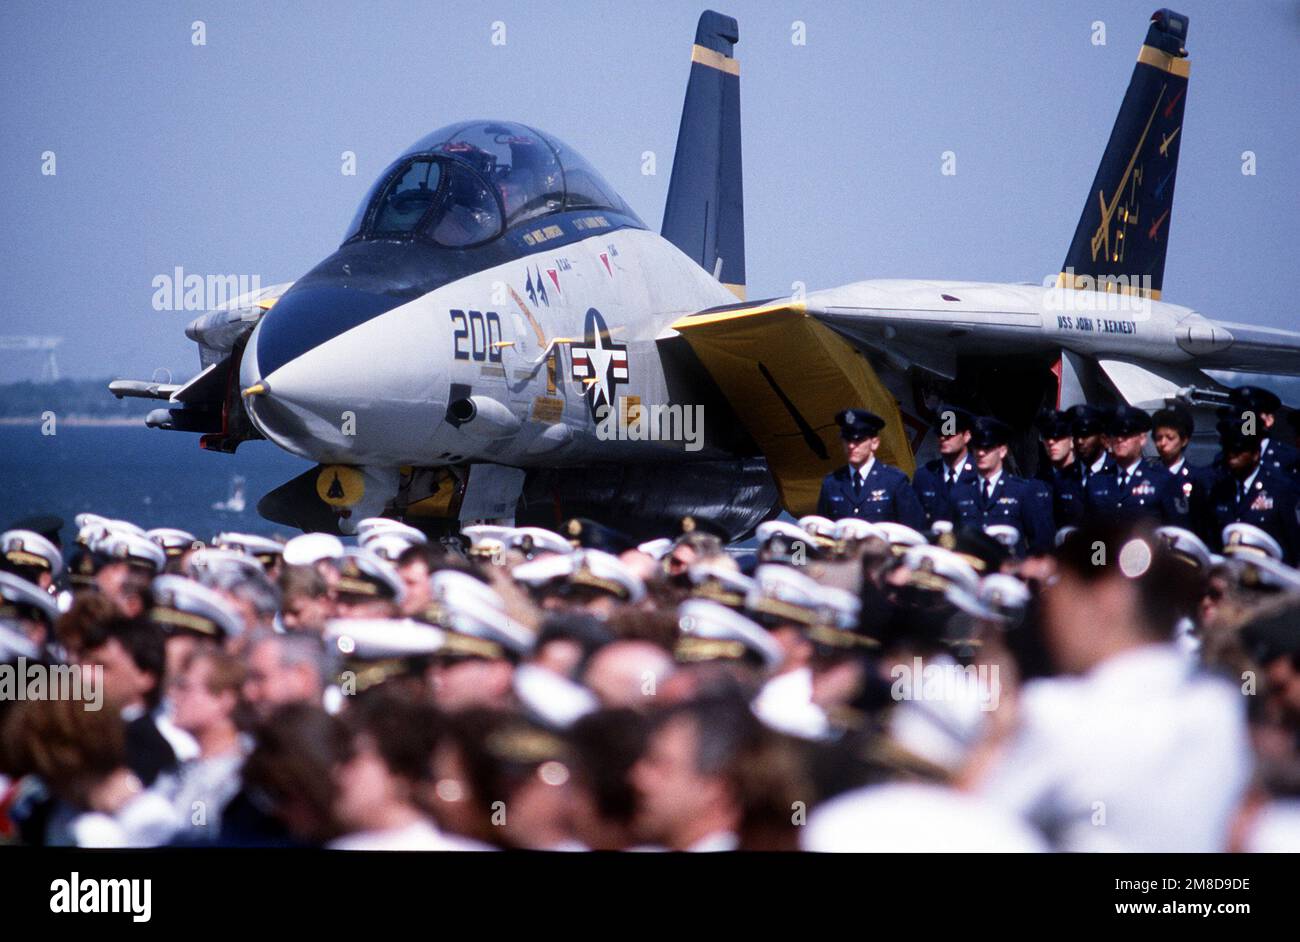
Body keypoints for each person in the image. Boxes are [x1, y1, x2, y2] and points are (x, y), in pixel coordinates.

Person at [971, 522, 1252, 851]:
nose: (1047, 620)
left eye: (1060, 597)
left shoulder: (1057, 714)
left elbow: (969, 824)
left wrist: (996, 732)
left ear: (1105, 598)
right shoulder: (1220, 708)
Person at [948, 417, 1054, 555]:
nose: (981, 453)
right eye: (977, 447)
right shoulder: (960, 492)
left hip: (1010, 571)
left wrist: (1023, 569)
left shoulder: (1021, 491)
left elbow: (1042, 542)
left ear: (1002, 451)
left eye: (987, 448)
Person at [1206, 421, 1300, 564]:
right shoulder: (1220, 489)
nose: (1231, 456)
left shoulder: (1279, 488)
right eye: (1228, 450)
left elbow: (1293, 543)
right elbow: (1212, 538)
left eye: (1238, 451)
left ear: (1255, 454)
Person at [816, 408, 925, 530]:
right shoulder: (832, 483)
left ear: (875, 443)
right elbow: (823, 533)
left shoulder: (894, 482)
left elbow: (914, 532)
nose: (851, 446)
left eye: (858, 440)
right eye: (847, 440)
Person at [1083, 405, 1183, 526]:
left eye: (1126, 434)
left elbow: (1176, 532)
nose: (1119, 439)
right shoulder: (1096, 481)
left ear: (1142, 439)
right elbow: (1090, 535)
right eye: (1115, 433)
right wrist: (1099, 546)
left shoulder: (1162, 480)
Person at [911, 405, 978, 526]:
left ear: (966, 436)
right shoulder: (924, 476)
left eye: (950, 434)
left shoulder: (983, 475)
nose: (943, 438)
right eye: (940, 433)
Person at [1035, 409, 1083, 528]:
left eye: (1058, 435)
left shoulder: (1087, 478)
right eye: (1046, 436)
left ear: (1072, 441)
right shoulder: (1037, 482)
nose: (1051, 442)